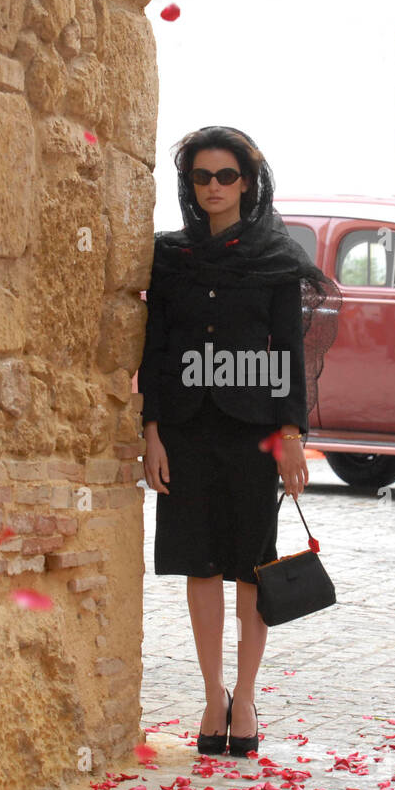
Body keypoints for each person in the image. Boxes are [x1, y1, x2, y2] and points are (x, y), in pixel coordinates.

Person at [138, 125, 340, 757]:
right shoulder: (170, 257)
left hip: (254, 433)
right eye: (201, 177)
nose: (213, 188)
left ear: (247, 182)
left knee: (252, 565)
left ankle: (246, 698)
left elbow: (287, 352)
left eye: (226, 176)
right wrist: (151, 432)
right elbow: (157, 348)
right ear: (188, 185)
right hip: (187, 429)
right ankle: (211, 694)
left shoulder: (275, 260)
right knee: (199, 562)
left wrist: (290, 435)